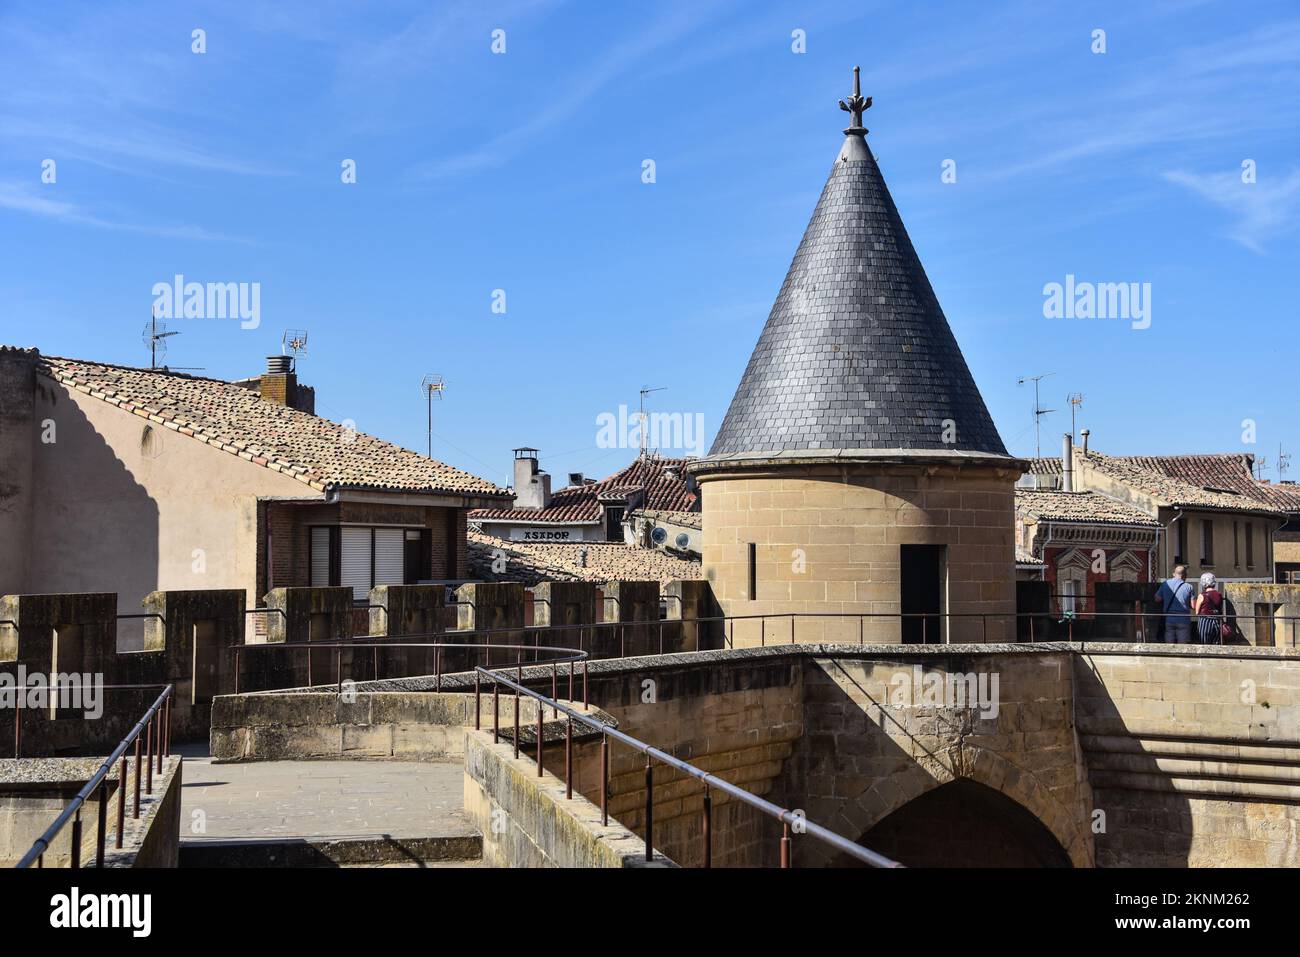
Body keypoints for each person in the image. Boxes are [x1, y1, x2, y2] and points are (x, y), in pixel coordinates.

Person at [1156, 565, 1194, 644]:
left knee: (1169, 645)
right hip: (1183, 619)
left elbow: (1157, 599)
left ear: (1174, 574)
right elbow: (1193, 605)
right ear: (1185, 575)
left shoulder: (1165, 584)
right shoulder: (1189, 587)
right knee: (1182, 646)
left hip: (1169, 619)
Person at [1194, 572, 1225, 646]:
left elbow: (1197, 612)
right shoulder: (1219, 594)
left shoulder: (1202, 595)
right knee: (1216, 645)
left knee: (1204, 644)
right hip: (1217, 621)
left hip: (1205, 621)